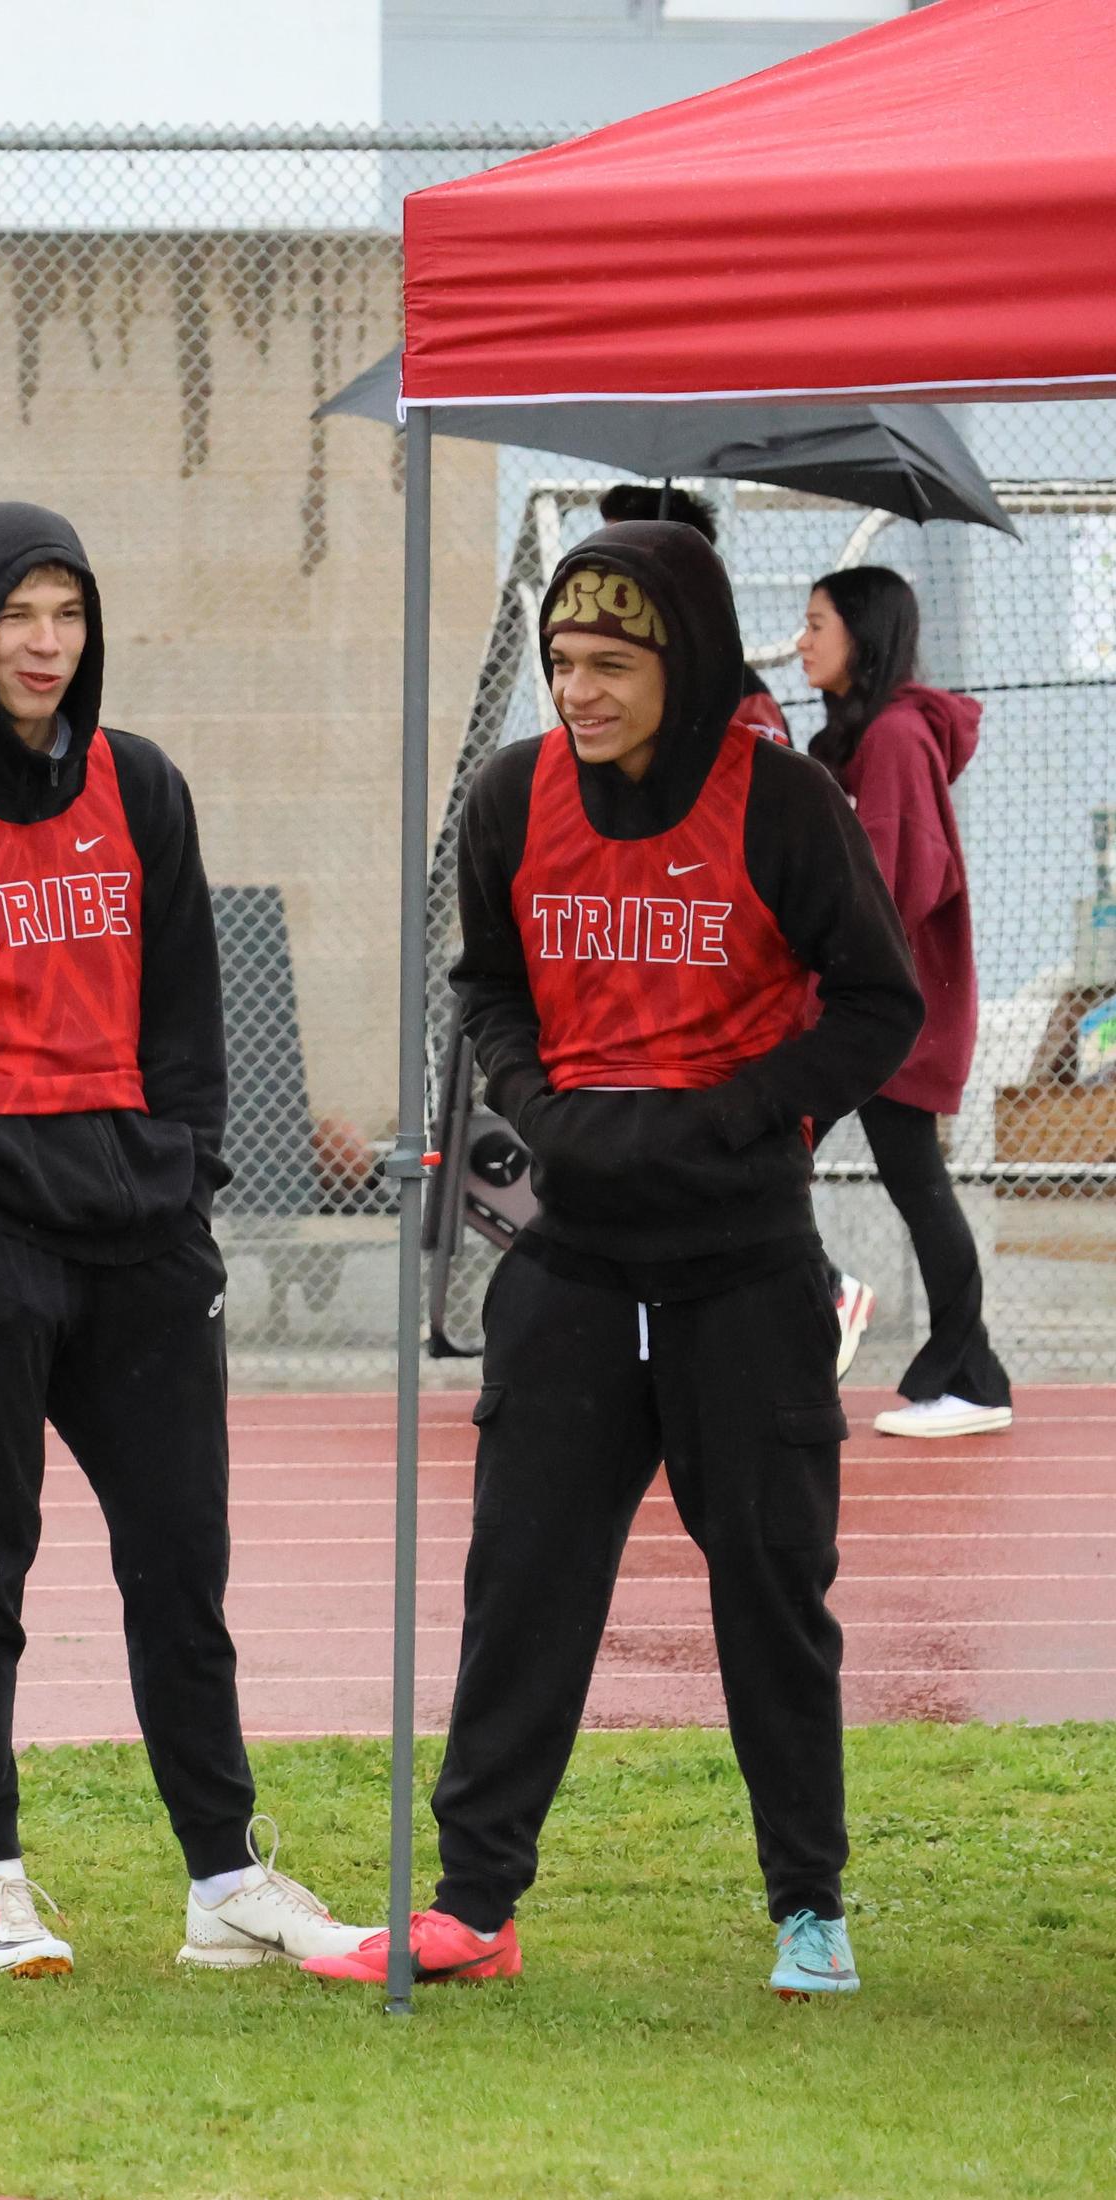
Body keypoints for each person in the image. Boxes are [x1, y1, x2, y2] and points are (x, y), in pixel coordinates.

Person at [306, 521, 922, 1998]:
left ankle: (808, 1907)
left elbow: (876, 1005)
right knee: (524, 1577)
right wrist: (541, 1113)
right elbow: (488, 989)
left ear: (687, 662)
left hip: (741, 1266)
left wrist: (735, 1114)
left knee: (772, 1582)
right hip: (570, 1266)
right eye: (564, 663)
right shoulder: (514, 799)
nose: (579, 692)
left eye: (613, 665)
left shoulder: (781, 804)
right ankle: (473, 1907)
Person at [0, 501, 374, 1978]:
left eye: (66, 614)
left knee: (181, 1563)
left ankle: (223, 1882)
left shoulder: (147, 788)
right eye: (17, 616)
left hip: (144, 1251)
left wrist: (181, 1191)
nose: (47, 644)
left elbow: (189, 1023)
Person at [799, 566, 1014, 1436]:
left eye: (817, 623)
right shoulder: (871, 737)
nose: (802, 639)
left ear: (864, 635)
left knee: (783, 1146)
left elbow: (899, 880)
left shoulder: (894, 738)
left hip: (882, 1010)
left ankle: (958, 1368)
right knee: (898, 1175)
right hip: (873, 1003)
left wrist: (823, 974)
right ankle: (971, 1371)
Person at [598, 484, 791, 743]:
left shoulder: (738, 695)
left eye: (617, 553)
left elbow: (766, 781)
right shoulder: (594, 676)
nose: (600, 569)